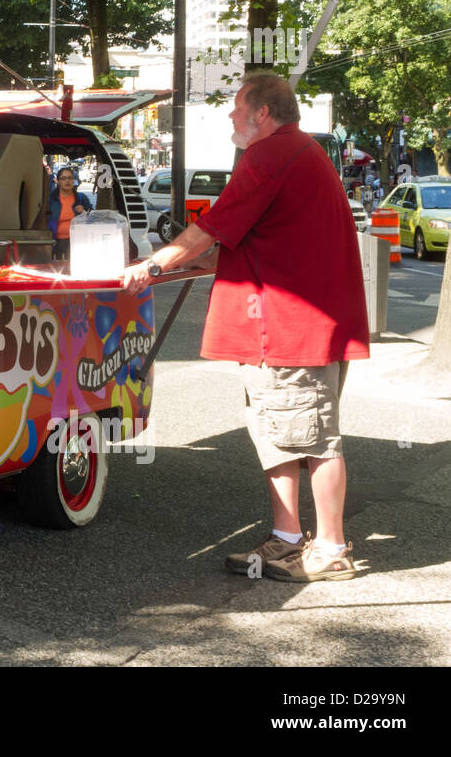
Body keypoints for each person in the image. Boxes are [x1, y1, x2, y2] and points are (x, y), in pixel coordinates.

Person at [122, 73, 369, 581]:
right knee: (277, 434)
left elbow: (213, 225)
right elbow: (249, 235)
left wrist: (153, 265)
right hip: (291, 325)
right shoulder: (297, 152)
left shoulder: (270, 154)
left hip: (291, 329)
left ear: (262, 112)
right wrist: (187, 260)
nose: (231, 117)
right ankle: (286, 537)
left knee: (314, 438)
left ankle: (330, 547)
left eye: (237, 109)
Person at [48, 165, 92, 259]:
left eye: (70, 178)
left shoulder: (81, 198)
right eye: (63, 178)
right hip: (55, 242)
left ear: (74, 180)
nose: (67, 181)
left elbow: (92, 218)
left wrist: (83, 211)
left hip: (76, 242)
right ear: (58, 181)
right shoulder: (51, 199)